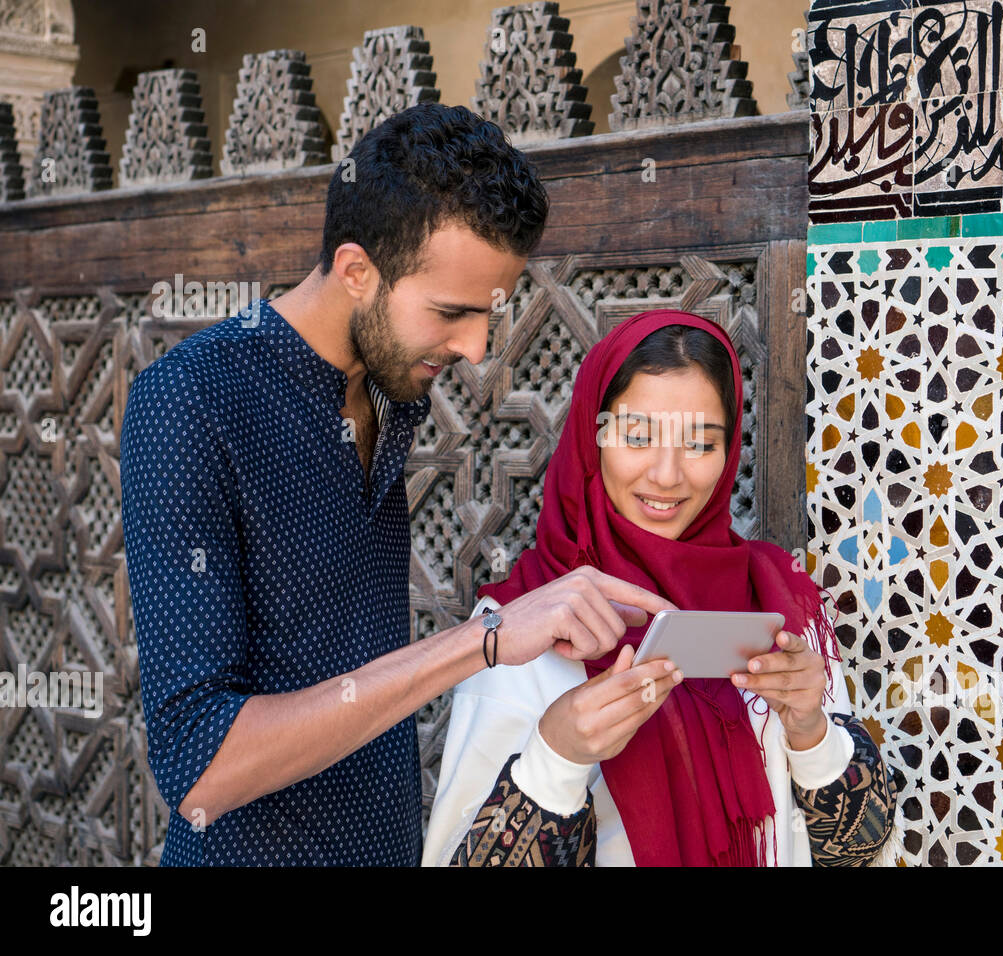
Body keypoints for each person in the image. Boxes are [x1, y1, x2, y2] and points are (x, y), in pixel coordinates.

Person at [120, 103, 674, 866]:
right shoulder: (188, 403)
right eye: (451, 312)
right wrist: (481, 643)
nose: (476, 349)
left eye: (488, 314)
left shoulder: (392, 389)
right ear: (356, 271)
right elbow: (200, 768)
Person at [423, 311, 902, 866]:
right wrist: (558, 755)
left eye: (700, 444)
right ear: (591, 437)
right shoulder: (518, 626)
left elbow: (859, 853)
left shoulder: (781, 604)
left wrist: (812, 729)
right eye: (637, 436)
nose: (668, 475)